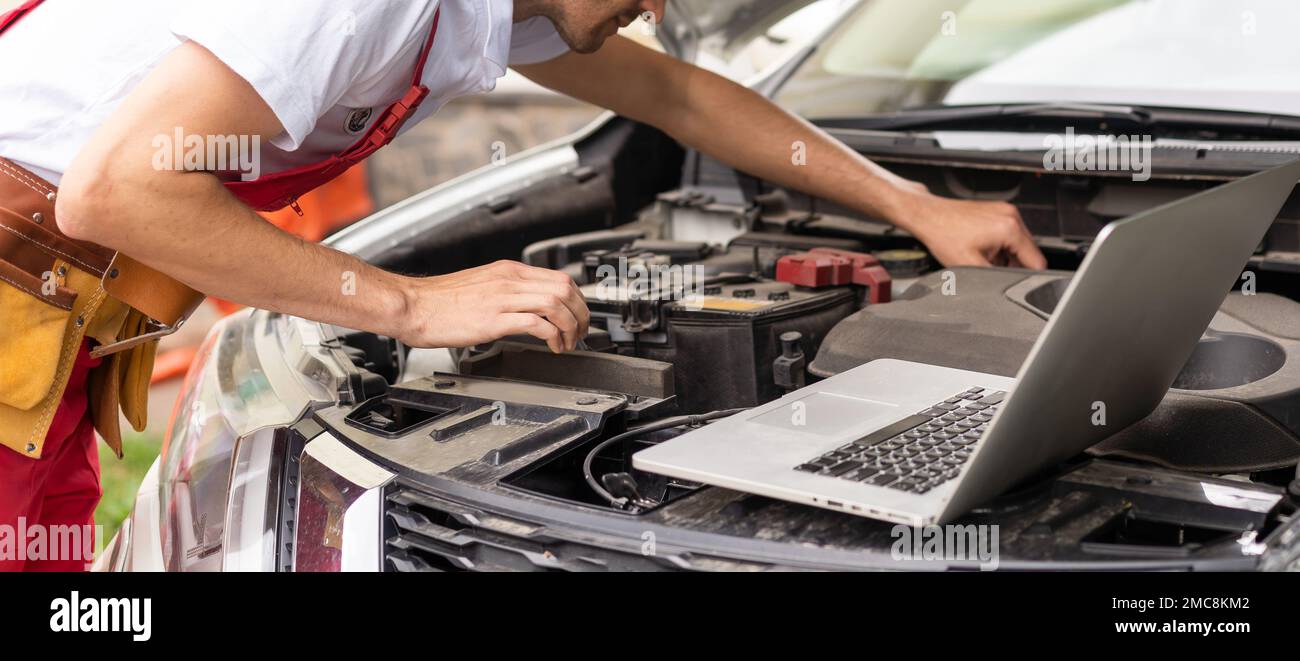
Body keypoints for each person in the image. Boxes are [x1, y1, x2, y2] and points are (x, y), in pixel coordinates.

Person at [0, 0, 1045, 571]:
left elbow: (676, 90)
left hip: (52, 343)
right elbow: (116, 191)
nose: (659, 3)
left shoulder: (494, 13)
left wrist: (915, 207)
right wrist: (410, 304)